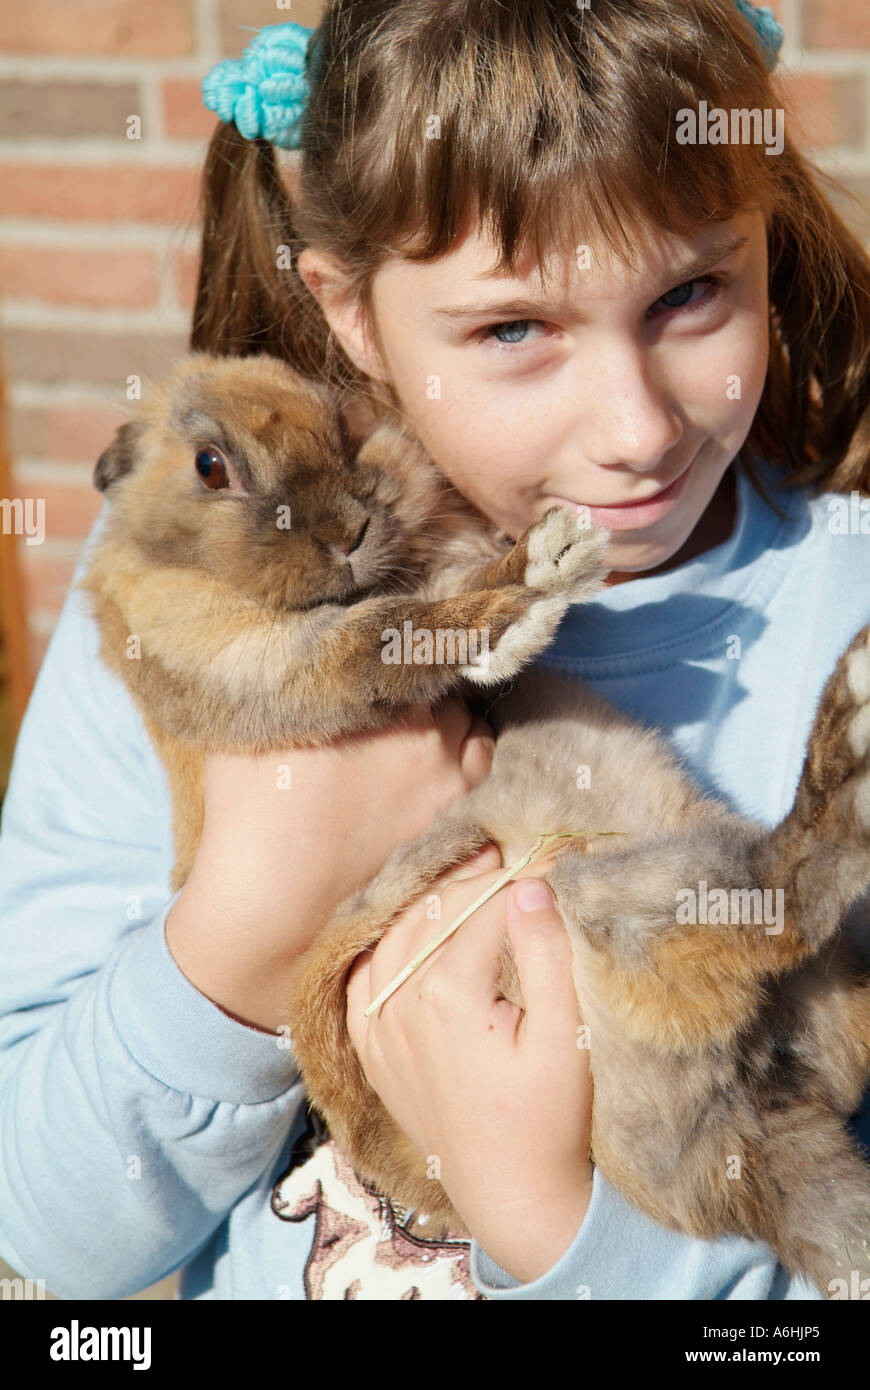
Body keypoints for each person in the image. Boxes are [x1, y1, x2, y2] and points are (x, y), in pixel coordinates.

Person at [1, 0, 868, 1301]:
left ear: (763, 237)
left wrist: (552, 1219)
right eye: (513, 330)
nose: (633, 428)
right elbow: (48, 1234)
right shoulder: (179, 611)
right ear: (347, 313)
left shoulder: (842, 620)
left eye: (689, 293)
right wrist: (243, 932)